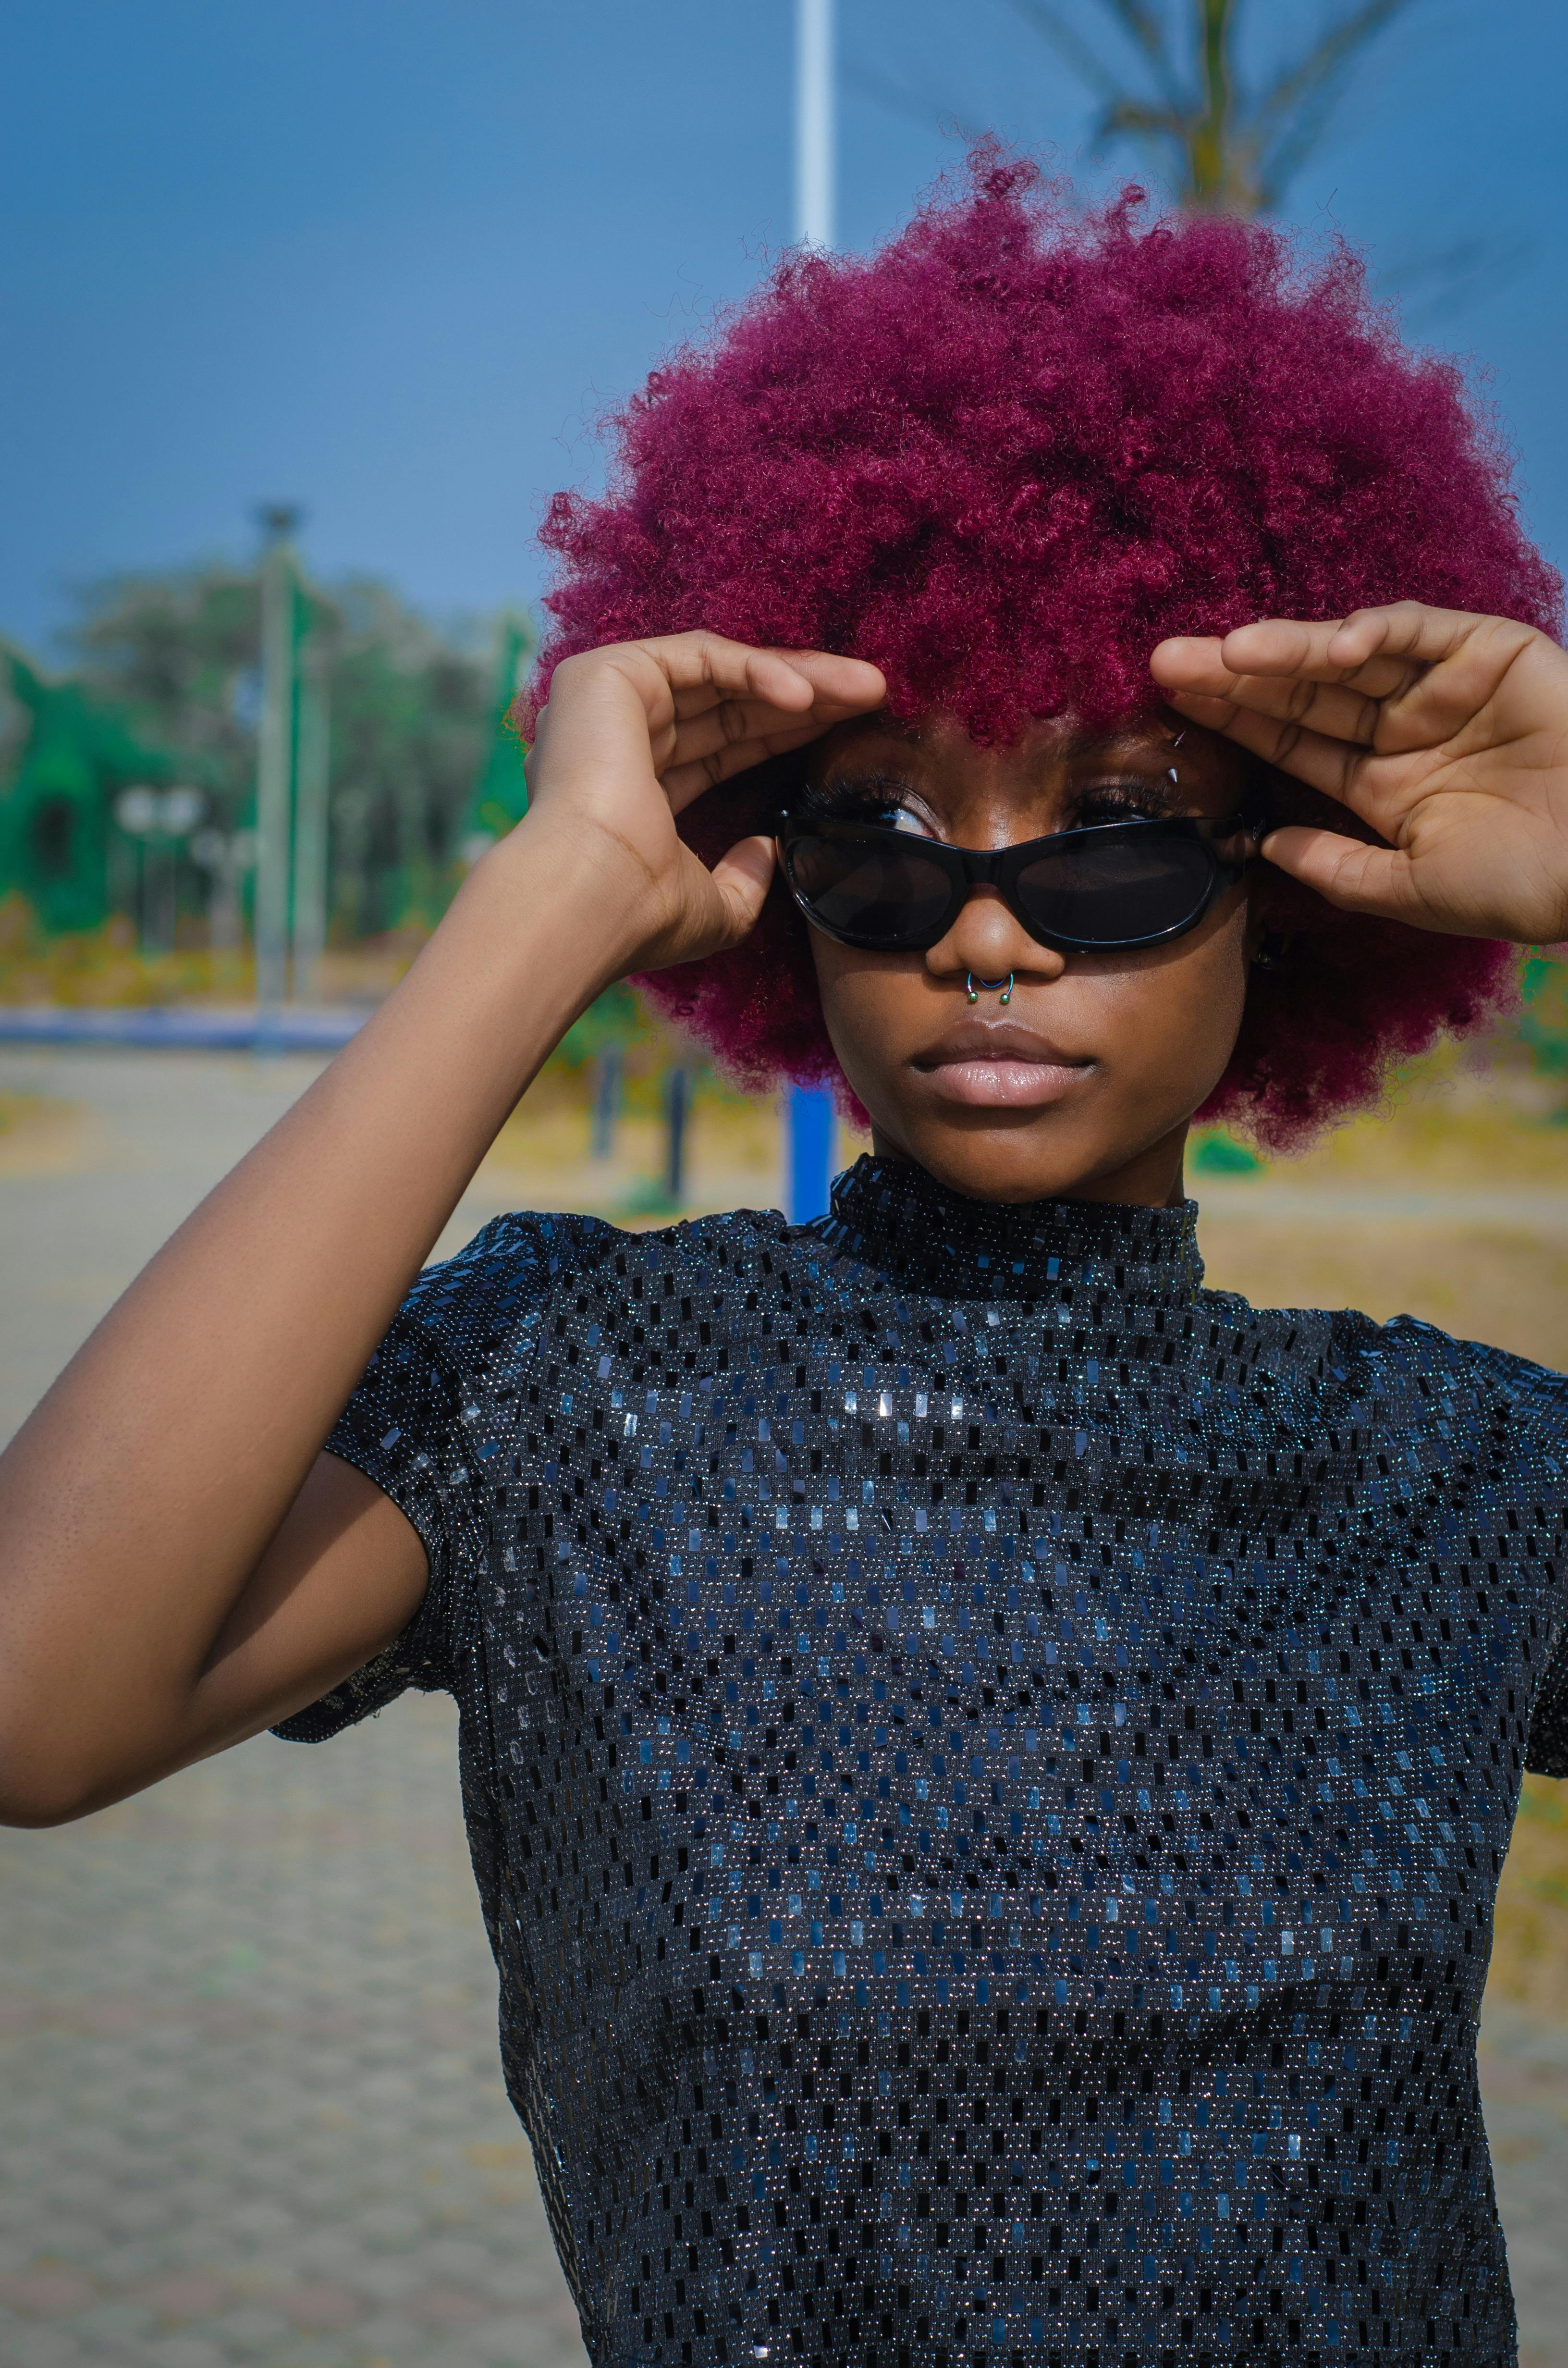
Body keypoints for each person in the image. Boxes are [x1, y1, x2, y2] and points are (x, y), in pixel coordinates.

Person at [2, 156, 1567, 2368]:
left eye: (1118, 827)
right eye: (887, 835)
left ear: (1290, 887)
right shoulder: (578, 1393)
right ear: (772, 866)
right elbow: (34, 1686)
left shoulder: (1460, 1478)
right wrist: (541, 902)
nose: (998, 931)